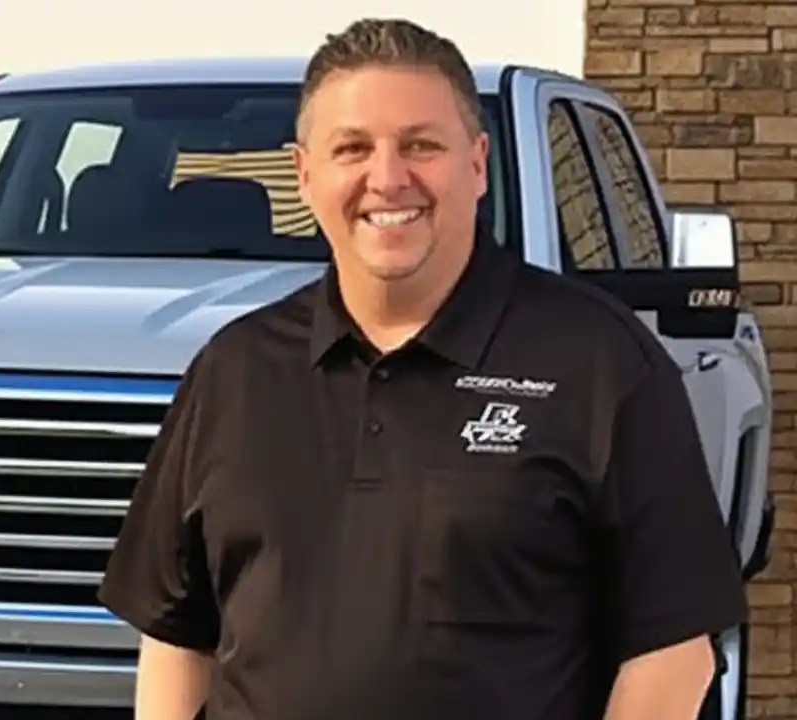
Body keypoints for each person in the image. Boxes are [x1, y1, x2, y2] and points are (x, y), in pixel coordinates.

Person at [97, 17, 748, 720]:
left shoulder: (599, 362)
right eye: (353, 148)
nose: (387, 178)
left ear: (476, 163)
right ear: (305, 174)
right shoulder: (235, 370)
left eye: (420, 145)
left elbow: (675, 648)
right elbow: (175, 635)